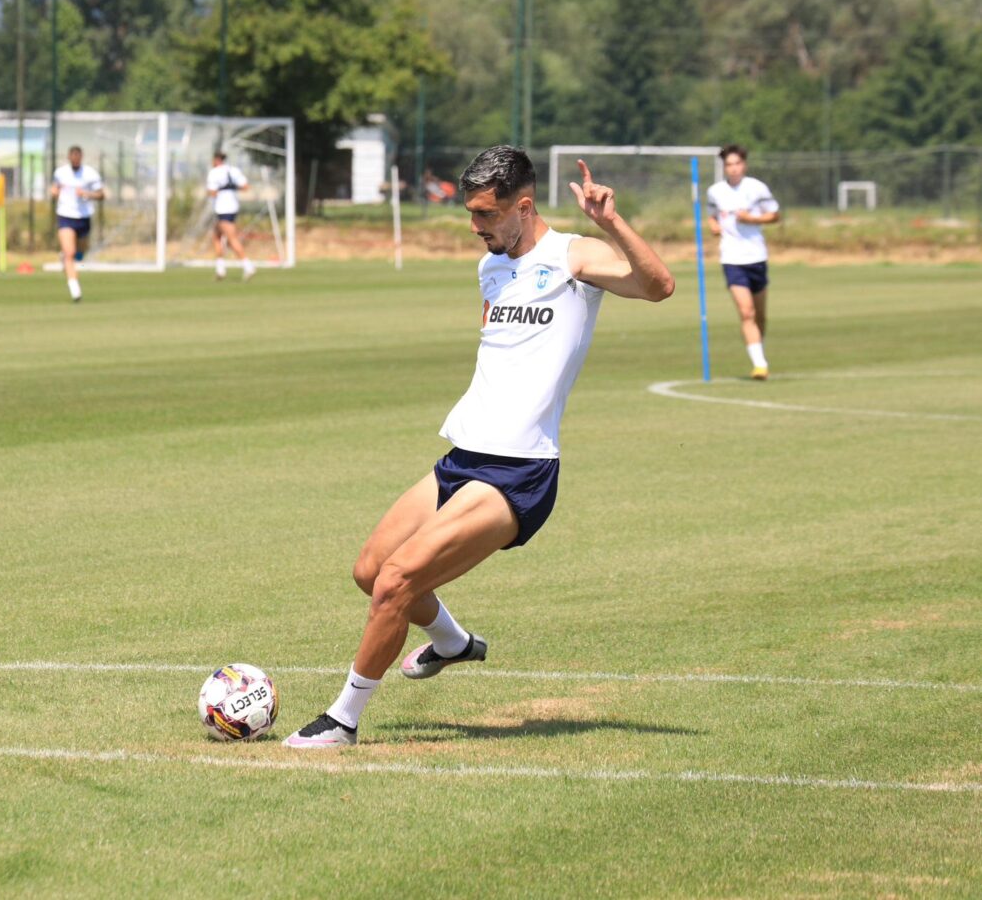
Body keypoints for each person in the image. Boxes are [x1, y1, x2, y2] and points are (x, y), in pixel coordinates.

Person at [283, 145, 675, 749]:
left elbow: (659, 286)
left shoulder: (574, 256)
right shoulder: (490, 267)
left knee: (396, 583)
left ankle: (342, 720)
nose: (475, 226)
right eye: (471, 213)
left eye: (486, 215)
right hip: (464, 456)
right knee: (368, 571)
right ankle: (453, 643)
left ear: (523, 205)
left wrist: (612, 224)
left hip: (520, 472)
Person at [706, 144, 781, 380]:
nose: (734, 168)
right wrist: (713, 225)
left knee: (759, 316)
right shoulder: (715, 191)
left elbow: (775, 214)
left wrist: (752, 218)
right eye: (729, 164)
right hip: (732, 258)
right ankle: (760, 365)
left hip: (757, 257)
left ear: (744, 165)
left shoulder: (757, 188)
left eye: (737, 163)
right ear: (724, 167)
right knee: (746, 313)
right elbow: (711, 215)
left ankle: (757, 346)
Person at [51, 146, 105, 303]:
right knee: (69, 253)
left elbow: (101, 194)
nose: (75, 160)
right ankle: (75, 288)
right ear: (69, 158)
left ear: (81, 157)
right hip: (65, 216)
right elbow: (55, 187)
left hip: (84, 217)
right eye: (72, 157)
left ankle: (68, 262)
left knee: (79, 254)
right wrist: (54, 191)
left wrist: (87, 194)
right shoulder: (60, 173)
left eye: (77, 157)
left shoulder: (90, 174)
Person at [206, 151, 255, 281]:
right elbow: (245, 187)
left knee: (232, 239)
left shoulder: (214, 172)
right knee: (216, 236)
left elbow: (212, 193)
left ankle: (248, 265)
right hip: (233, 207)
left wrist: (218, 191)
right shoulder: (233, 170)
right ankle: (220, 269)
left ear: (216, 160)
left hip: (223, 209)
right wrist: (231, 188)